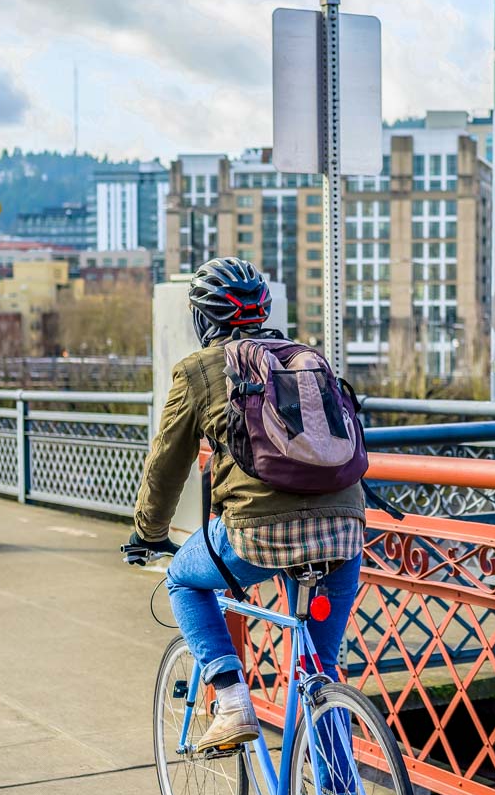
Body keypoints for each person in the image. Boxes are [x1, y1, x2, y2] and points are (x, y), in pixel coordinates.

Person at [122, 258, 367, 762]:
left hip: (258, 535)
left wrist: (148, 532)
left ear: (202, 318)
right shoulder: (307, 359)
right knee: (319, 671)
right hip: (345, 532)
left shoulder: (197, 371)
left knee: (183, 580)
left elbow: (166, 466)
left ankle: (232, 701)